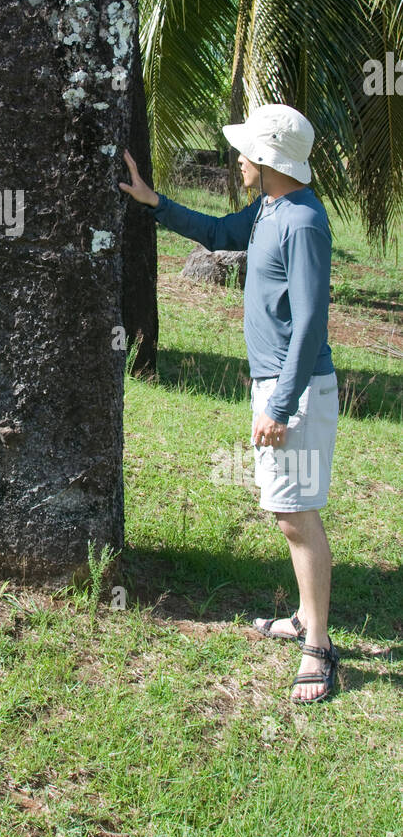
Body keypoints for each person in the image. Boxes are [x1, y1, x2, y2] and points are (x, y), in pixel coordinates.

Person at [119, 104, 341, 703]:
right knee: (287, 510)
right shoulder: (269, 209)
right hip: (274, 387)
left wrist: (280, 405)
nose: (237, 159)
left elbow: (312, 324)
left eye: (245, 151)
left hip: (294, 391)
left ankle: (317, 647)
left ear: (268, 160)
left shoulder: (302, 223)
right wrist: (154, 202)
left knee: (297, 516)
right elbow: (220, 235)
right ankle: (303, 616)